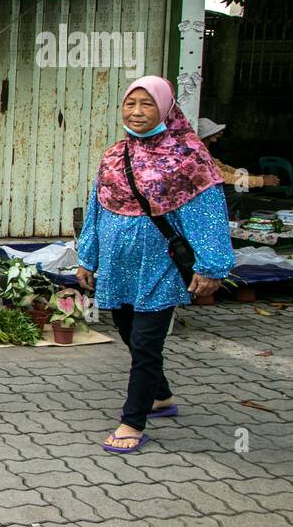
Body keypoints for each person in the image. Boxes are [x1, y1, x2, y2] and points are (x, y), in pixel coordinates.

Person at [75, 79, 234, 454]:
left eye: (146, 104)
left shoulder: (188, 157)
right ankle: (160, 395)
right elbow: (96, 208)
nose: (136, 112)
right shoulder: (115, 155)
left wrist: (211, 266)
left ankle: (132, 421)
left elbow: (208, 215)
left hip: (158, 265)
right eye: (130, 103)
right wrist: (87, 256)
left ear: (164, 108)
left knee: (146, 343)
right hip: (118, 266)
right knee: (129, 334)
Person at [197, 117, 281, 193]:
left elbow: (223, 168)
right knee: (237, 192)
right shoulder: (198, 156)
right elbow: (224, 177)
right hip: (203, 194)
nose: (215, 141)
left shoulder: (205, 154)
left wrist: (253, 176)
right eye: (212, 138)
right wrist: (260, 181)